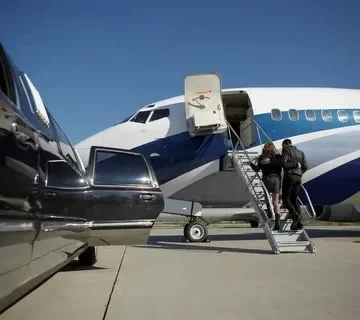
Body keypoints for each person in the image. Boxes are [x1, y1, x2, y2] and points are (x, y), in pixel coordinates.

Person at [250, 142, 283, 230]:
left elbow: (257, 169)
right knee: (275, 202)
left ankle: (270, 215)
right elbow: (282, 164)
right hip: (276, 179)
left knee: (267, 199)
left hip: (266, 179)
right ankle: (277, 221)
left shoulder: (262, 158)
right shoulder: (278, 157)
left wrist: (251, 164)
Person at [281, 139, 308, 230]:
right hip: (298, 178)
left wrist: (295, 165)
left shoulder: (286, 150)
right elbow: (306, 166)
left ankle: (295, 216)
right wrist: (299, 173)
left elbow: (284, 164)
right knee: (293, 199)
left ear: (285, 145)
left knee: (285, 198)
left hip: (289, 176)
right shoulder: (301, 152)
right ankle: (300, 222)